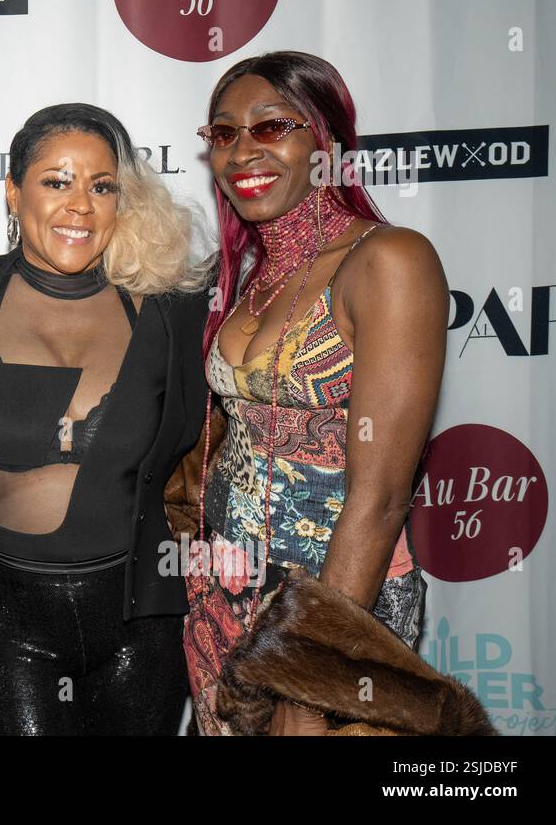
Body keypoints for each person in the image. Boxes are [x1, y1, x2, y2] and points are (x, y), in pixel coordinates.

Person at [0, 103, 214, 735]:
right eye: (57, 181)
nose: (80, 205)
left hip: (142, 613)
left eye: (101, 187)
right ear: (13, 192)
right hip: (9, 617)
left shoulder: (169, 309)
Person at [185, 50, 449, 736]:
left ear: (325, 139)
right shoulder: (249, 272)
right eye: (223, 133)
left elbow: (380, 498)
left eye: (272, 126)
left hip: (334, 611)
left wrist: (308, 686)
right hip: (225, 599)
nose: (243, 150)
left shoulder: (389, 261)